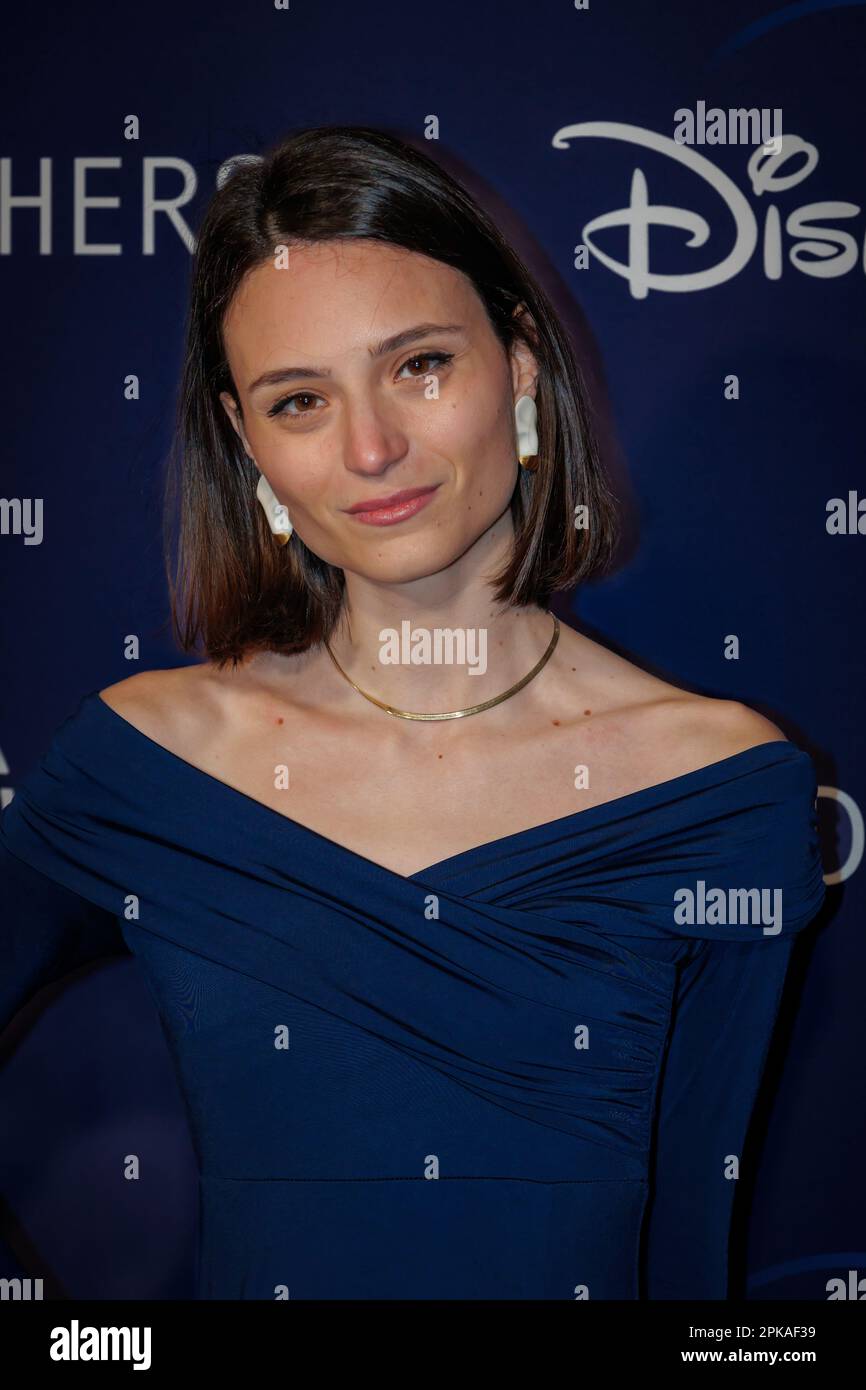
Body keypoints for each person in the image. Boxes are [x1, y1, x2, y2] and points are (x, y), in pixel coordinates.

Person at [0, 125, 826, 1300]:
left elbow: (692, 1257)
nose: (373, 447)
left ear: (520, 364)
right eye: (299, 400)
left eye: (420, 365)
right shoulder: (152, 764)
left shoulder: (714, 787)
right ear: (246, 445)